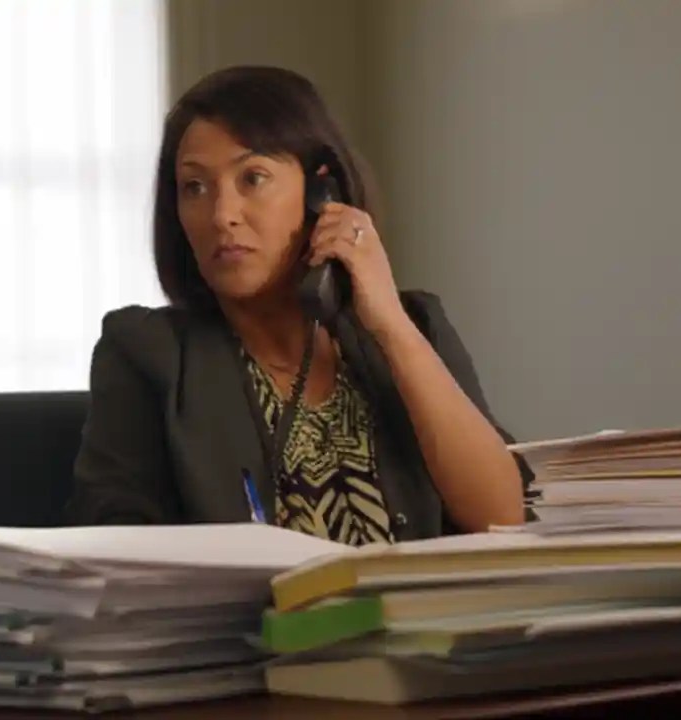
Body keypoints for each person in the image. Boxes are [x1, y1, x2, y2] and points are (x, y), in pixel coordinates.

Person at [67, 65, 529, 544]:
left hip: (424, 618)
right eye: (195, 187)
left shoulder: (416, 327)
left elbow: (502, 517)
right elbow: (115, 548)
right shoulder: (147, 355)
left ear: (320, 192)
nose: (222, 215)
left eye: (253, 178)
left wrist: (390, 325)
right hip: (249, 620)